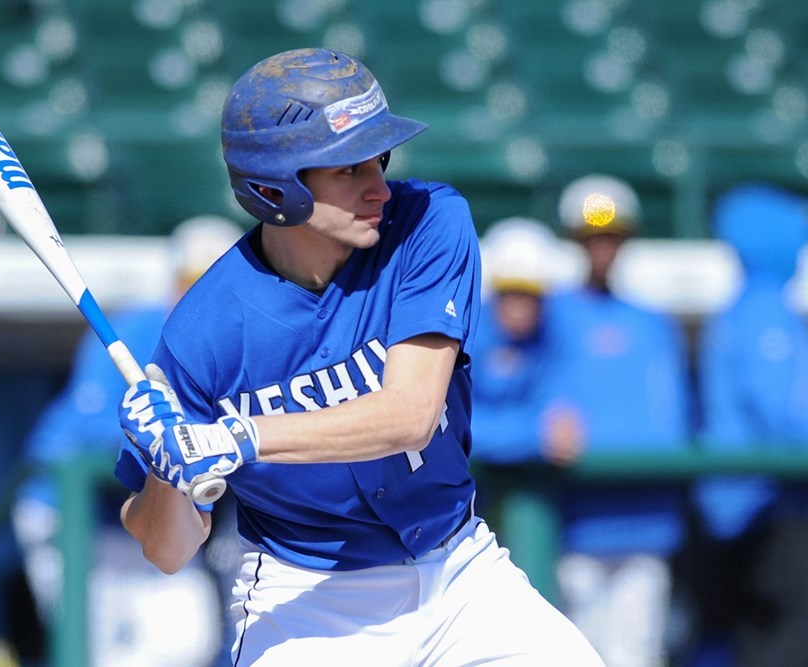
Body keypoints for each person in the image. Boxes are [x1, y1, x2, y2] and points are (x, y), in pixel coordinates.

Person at [114, 48, 603, 666]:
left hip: (461, 573)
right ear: (272, 189)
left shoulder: (429, 222)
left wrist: (237, 437)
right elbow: (168, 551)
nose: (378, 186)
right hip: (309, 601)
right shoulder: (203, 330)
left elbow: (410, 415)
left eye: (379, 158)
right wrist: (168, 467)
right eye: (347, 170)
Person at [11, 215, 243, 666]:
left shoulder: (241, 342)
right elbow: (85, 440)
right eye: (190, 279)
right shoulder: (136, 328)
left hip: (157, 516)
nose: (199, 294)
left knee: (187, 641)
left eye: (215, 281)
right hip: (71, 517)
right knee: (106, 652)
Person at [541, 173, 693, 667]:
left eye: (612, 237)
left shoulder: (652, 322)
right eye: (592, 238)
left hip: (645, 522)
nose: (602, 248)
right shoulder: (550, 315)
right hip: (574, 524)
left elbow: (674, 417)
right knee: (574, 652)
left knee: (639, 652)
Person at [687, 183, 808, 667]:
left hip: (747, 507)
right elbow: (783, 414)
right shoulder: (764, 311)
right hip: (760, 510)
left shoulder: (751, 306)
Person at [468, 216, 570, 465]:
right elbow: (451, 424)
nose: (521, 306)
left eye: (531, 295)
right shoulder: (465, 336)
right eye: (512, 293)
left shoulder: (550, 336)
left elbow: (557, 413)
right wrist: (535, 435)